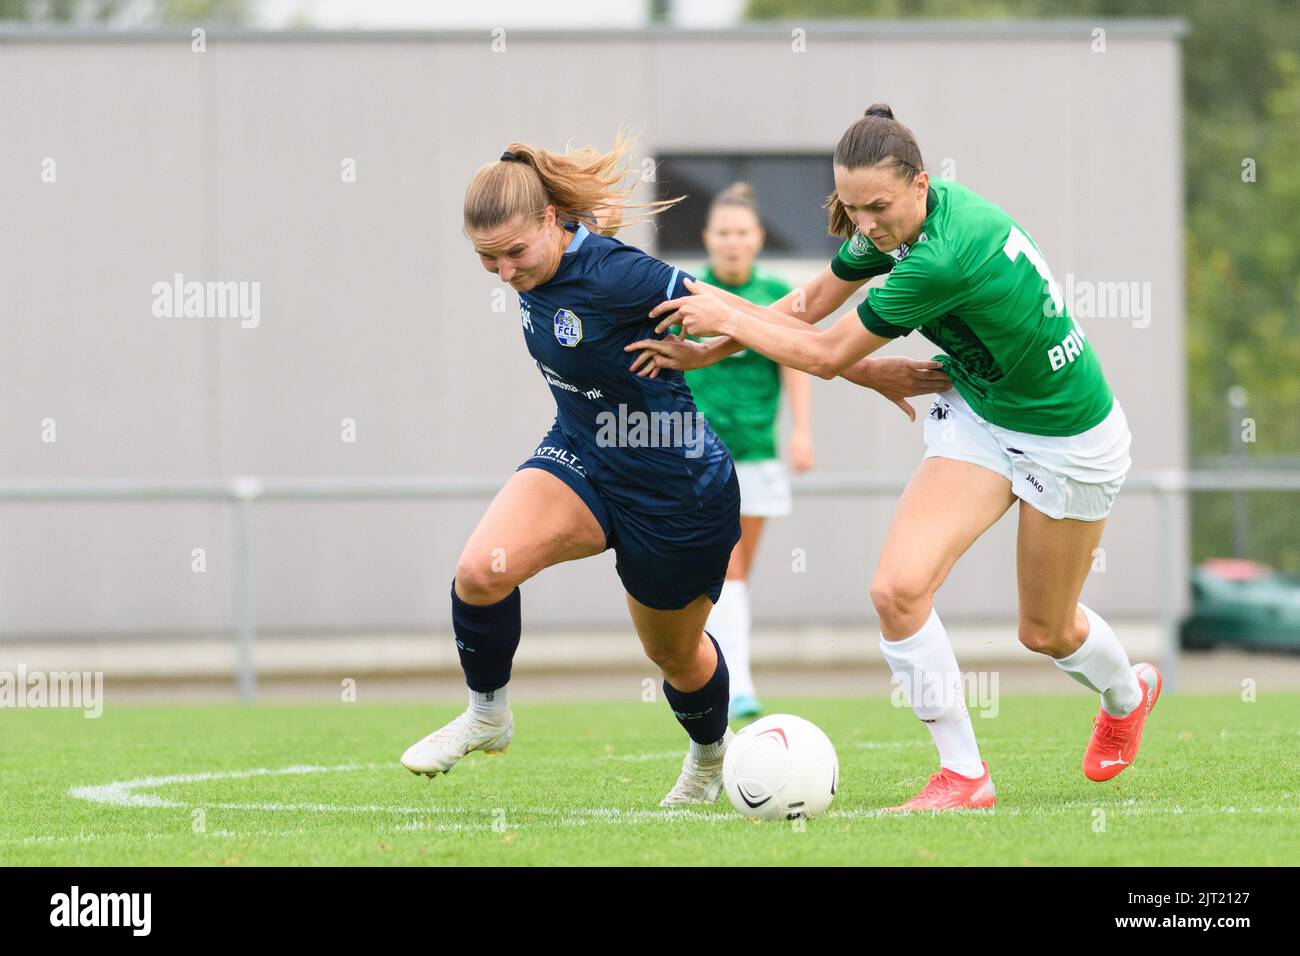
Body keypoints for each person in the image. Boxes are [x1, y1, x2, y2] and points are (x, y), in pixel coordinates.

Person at [628, 104, 1159, 813]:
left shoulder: (943, 256)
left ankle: (1128, 695)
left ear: (922, 185)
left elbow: (822, 355)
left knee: (1046, 630)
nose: (867, 226)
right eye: (851, 210)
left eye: (877, 207)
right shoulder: (894, 225)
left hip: (1069, 435)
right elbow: (812, 302)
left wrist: (724, 315)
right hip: (979, 413)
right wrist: (710, 349)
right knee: (897, 591)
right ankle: (964, 775)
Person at [399, 135, 742, 806]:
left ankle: (708, 761)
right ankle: (488, 716)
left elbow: (744, 315)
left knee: (675, 656)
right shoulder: (548, 250)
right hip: (582, 452)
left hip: (675, 486)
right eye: (486, 259)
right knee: (481, 572)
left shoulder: (623, 275)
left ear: (551, 221)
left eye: (514, 253)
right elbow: (576, 248)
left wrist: (857, 364)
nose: (503, 272)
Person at [680, 182, 814, 720]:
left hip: (757, 453)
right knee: (720, 569)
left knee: (734, 573)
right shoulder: (690, 294)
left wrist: (801, 431)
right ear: (708, 238)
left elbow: (797, 362)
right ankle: (731, 683)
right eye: (723, 234)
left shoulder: (777, 292)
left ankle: (720, 674)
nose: (733, 243)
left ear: (757, 238)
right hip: (698, 458)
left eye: (742, 233)